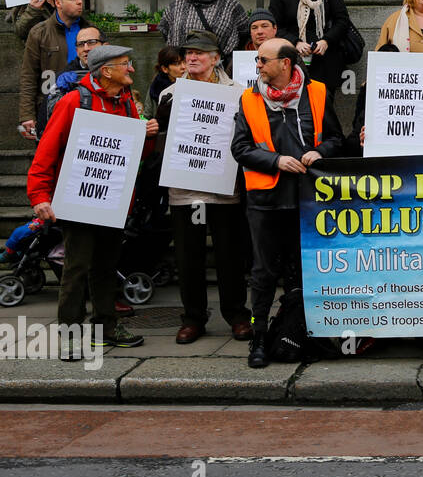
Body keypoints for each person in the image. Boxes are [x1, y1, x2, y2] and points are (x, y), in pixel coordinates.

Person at [28, 44, 159, 356]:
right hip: (78, 200)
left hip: (111, 202)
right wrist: (39, 196)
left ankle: (106, 328)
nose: (130, 69)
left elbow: (133, 158)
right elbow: (46, 150)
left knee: (105, 266)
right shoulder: (75, 101)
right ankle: (71, 336)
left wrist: (147, 137)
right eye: (125, 64)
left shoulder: (127, 102)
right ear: (106, 71)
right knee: (76, 268)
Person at [231, 38, 344, 368]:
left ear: (285, 63)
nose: (258, 66)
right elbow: (240, 148)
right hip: (265, 201)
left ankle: (300, 334)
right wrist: (276, 160)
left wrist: (320, 152)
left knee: (304, 272)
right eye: (257, 61)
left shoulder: (318, 93)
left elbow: (338, 139)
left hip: (308, 200)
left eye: (264, 60)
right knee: (263, 274)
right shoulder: (250, 99)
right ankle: (260, 339)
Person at [154, 30, 252, 344]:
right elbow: (162, 143)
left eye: (199, 53)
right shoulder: (169, 94)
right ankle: (193, 317)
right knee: (188, 256)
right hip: (184, 191)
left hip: (224, 189)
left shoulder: (237, 92)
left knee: (230, 256)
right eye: (188, 54)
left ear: (216, 58)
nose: (192, 58)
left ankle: (237, 314)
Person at [269, 0, 353, 95]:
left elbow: (342, 20)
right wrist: (295, 43)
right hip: (292, 59)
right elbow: (275, 26)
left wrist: (326, 41)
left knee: (324, 105)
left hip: (325, 58)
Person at [19, 0, 84, 142]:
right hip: (50, 108)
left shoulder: (90, 30)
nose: (79, 2)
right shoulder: (39, 32)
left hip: (85, 106)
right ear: (58, 3)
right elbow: (29, 76)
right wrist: (27, 115)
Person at [159, 0, 249, 66]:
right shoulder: (177, 4)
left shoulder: (230, 5)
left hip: (217, 69)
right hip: (182, 69)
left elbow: (244, 33)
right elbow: (165, 29)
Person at [142, 45, 184, 120]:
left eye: (185, 62)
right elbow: (147, 115)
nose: (183, 67)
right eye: (177, 63)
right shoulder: (156, 87)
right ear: (165, 69)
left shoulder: (192, 83)